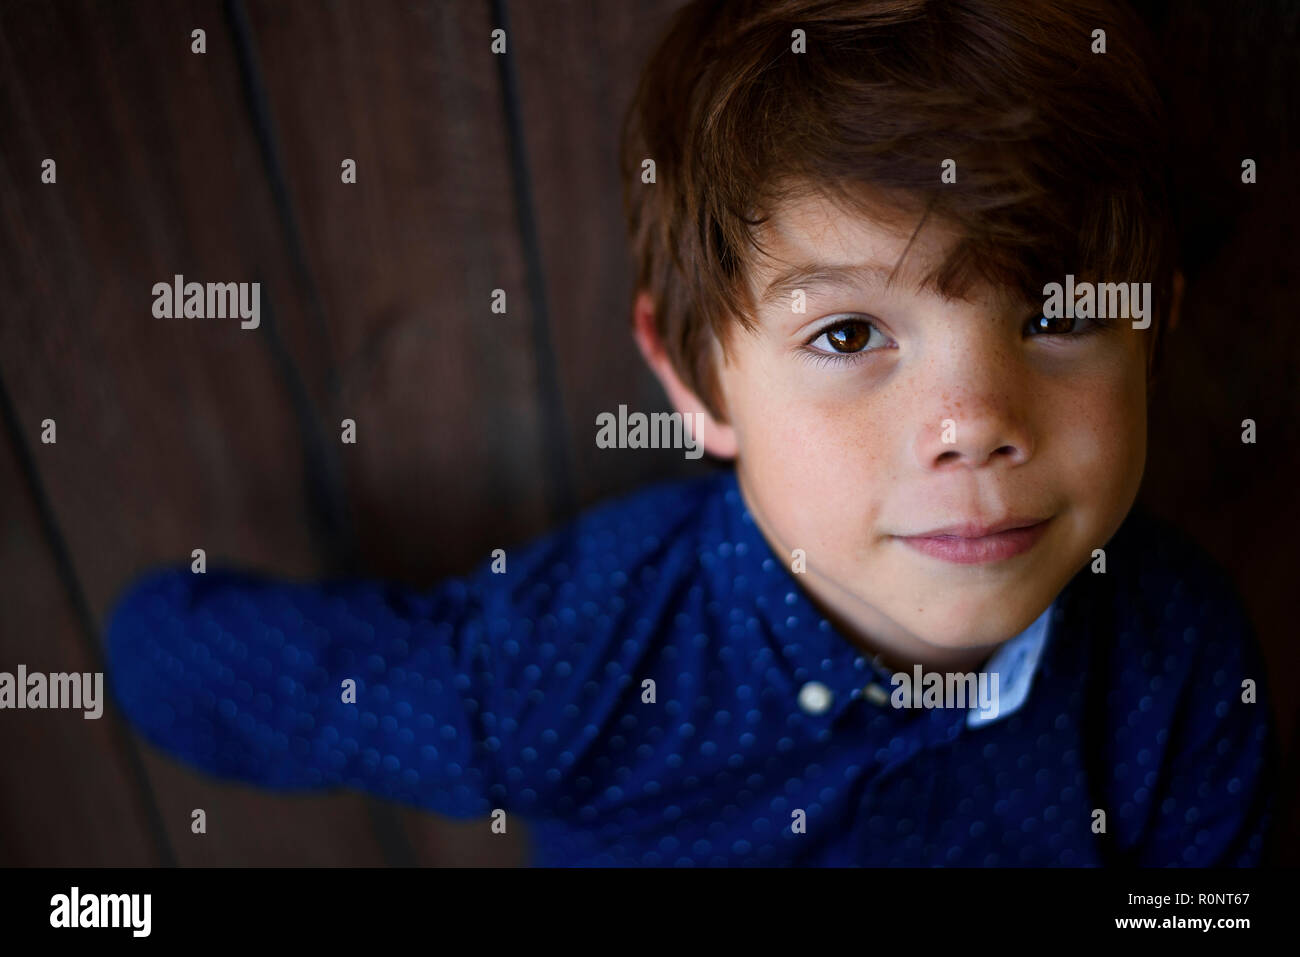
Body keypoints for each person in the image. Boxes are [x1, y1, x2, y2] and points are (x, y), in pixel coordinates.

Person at [105, 0, 1276, 866]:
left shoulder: (1179, 648)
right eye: (848, 335)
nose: (973, 428)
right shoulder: (574, 665)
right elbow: (173, 660)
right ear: (696, 380)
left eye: (1058, 316)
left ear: (1154, 333)